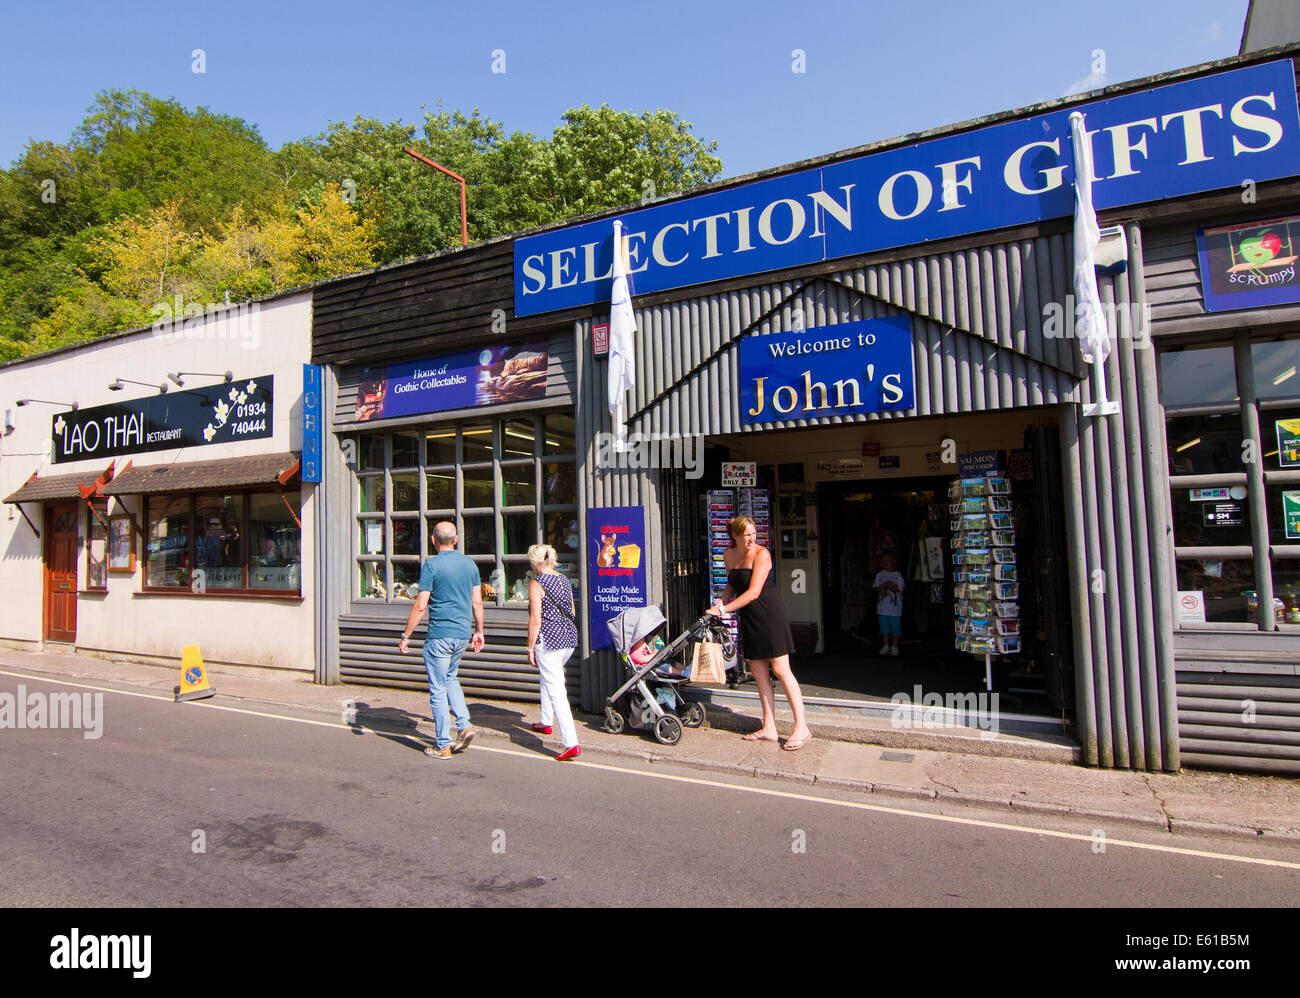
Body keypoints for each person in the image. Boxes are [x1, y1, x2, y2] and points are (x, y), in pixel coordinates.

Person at [708, 516, 812, 751]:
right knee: (757, 671)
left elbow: (754, 591)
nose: (752, 538)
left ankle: (802, 726)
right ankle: (769, 727)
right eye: (747, 534)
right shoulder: (728, 555)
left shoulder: (761, 554)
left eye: (754, 533)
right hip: (749, 617)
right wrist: (719, 603)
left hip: (769, 614)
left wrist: (725, 609)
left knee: (780, 669)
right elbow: (733, 585)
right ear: (734, 536)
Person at [398, 521, 484, 760]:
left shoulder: (431, 565)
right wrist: (479, 631)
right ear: (456, 539)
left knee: (437, 689)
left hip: (439, 634)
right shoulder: (470, 564)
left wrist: (406, 636)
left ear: (433, 541)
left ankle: (443, 745)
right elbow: (477, 602)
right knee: (451, 678)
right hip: (461, 634)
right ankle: (464, 725)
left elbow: (421, 604)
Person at [525, 544, 581, 761]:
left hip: (548, 641)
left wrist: (530, 647)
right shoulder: (564, 580)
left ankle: (571, 743)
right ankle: (546, 721)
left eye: (531, 561)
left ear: (537, 563)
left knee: (557, 692)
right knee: (547, 679)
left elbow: (535, 620)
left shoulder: (536, 583)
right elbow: (573, 611)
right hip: (568, 639)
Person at [874, 550, 905, 656]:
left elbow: (900, 588)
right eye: (884, 561)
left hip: (895, 609)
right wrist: (881, 588)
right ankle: (886, 645)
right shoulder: (880, 575)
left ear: (894, 561)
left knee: (895, 627)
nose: (886, 563)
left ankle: (895, 645)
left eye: (888, 560)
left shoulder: (898, 575)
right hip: (882, 607)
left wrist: (889, 584)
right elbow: (876, 587)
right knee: (884, 627)